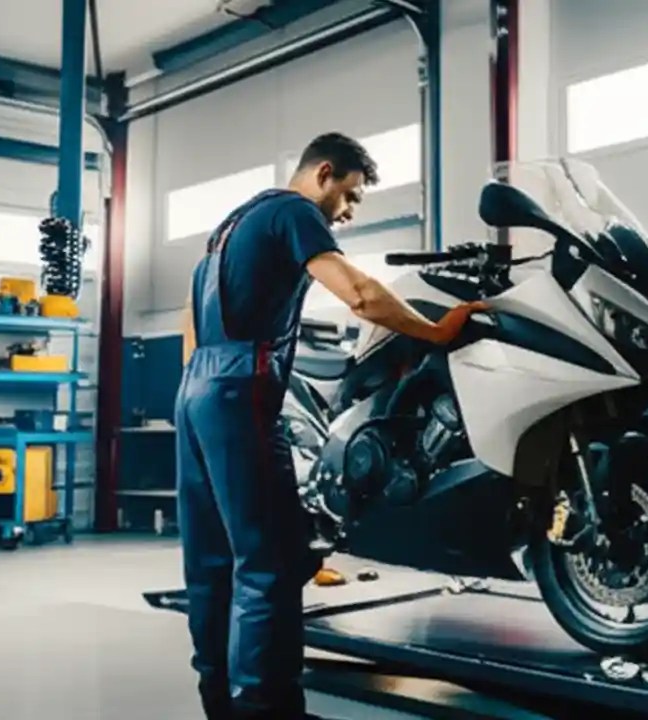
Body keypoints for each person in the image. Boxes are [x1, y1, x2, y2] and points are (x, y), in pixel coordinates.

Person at [175, 132, 487, 720]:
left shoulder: (228, 227)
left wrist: (206, 381)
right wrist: (440, 330)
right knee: (273, 558)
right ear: (323, 173)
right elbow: (362, 296)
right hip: (240, 386)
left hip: (195, 386)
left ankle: (219, 699)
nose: (346, 213)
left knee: (212, 561)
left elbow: (187, 316)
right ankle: (268, 708)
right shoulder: (294, 212)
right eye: (351, 197)